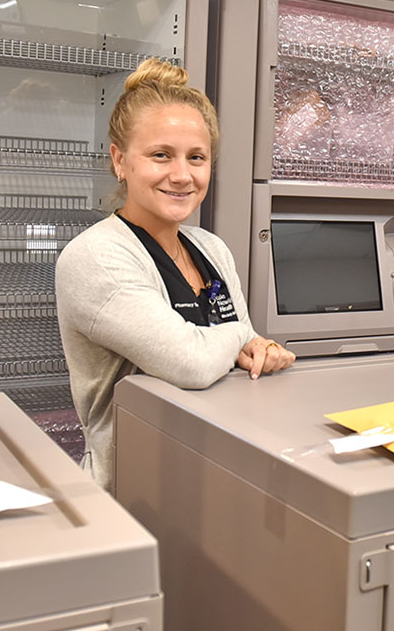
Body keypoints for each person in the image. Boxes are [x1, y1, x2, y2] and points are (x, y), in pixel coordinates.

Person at [56, 58, 294, 493]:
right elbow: (192, 363)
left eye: (196, 158)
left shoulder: (210, 249)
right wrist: (241, 336)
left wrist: (257, 348)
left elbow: (243, 356)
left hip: (217, 471)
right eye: (161, 155)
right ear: (120, 160)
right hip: (132, 491)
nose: (182, 175)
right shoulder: (97, 256)